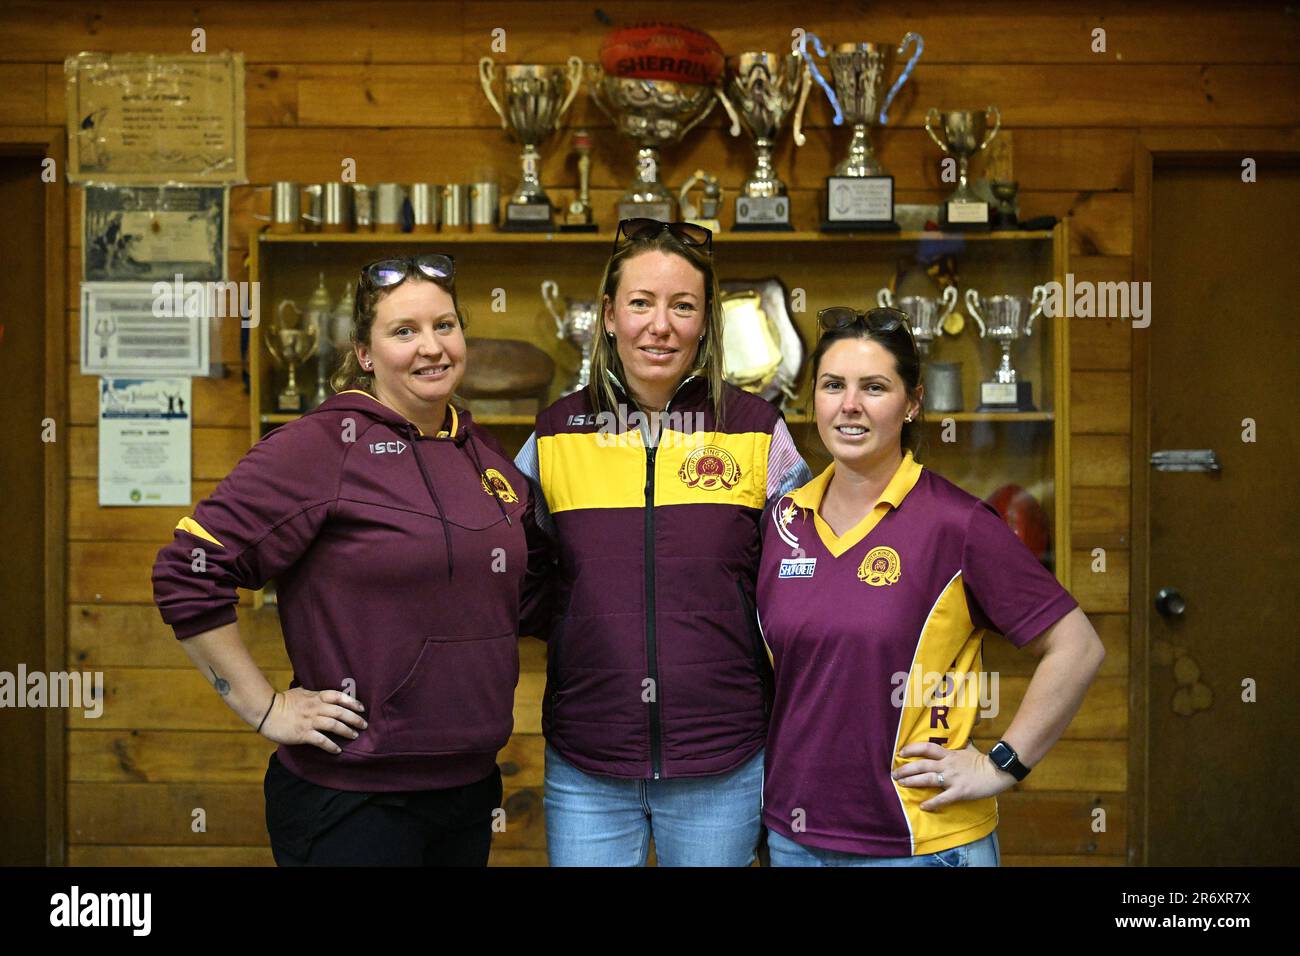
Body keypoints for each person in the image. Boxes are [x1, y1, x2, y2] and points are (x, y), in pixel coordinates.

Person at [152, 252, 552, 866]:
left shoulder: (488, 461)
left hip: (468, 789)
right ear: (365, 353)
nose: (432, 347)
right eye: (404, 331)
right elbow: (189, 569)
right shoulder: (321, 446)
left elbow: (524, 601)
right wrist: (265, 709)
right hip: (352, 802)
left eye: (445, 326)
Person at [757, 305, 1106, 867]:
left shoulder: (957, 523)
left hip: (919, 844)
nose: (850, 405)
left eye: (874, 387)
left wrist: (1001, 764)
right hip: (794, 838)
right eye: (832, 385)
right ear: (812, 399)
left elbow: (1077, 647)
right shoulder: (781, 521)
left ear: (913, 402)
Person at [513, 218, 812, 866]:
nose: (660, 325)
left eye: (683, 307)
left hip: (722, 760)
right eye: (641, 303)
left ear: (706, 322)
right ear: (609, 315)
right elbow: (519, 574)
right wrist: (581, 634)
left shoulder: (757, 433)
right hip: (590, 759)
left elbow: (803, 582)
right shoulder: (558, 433)